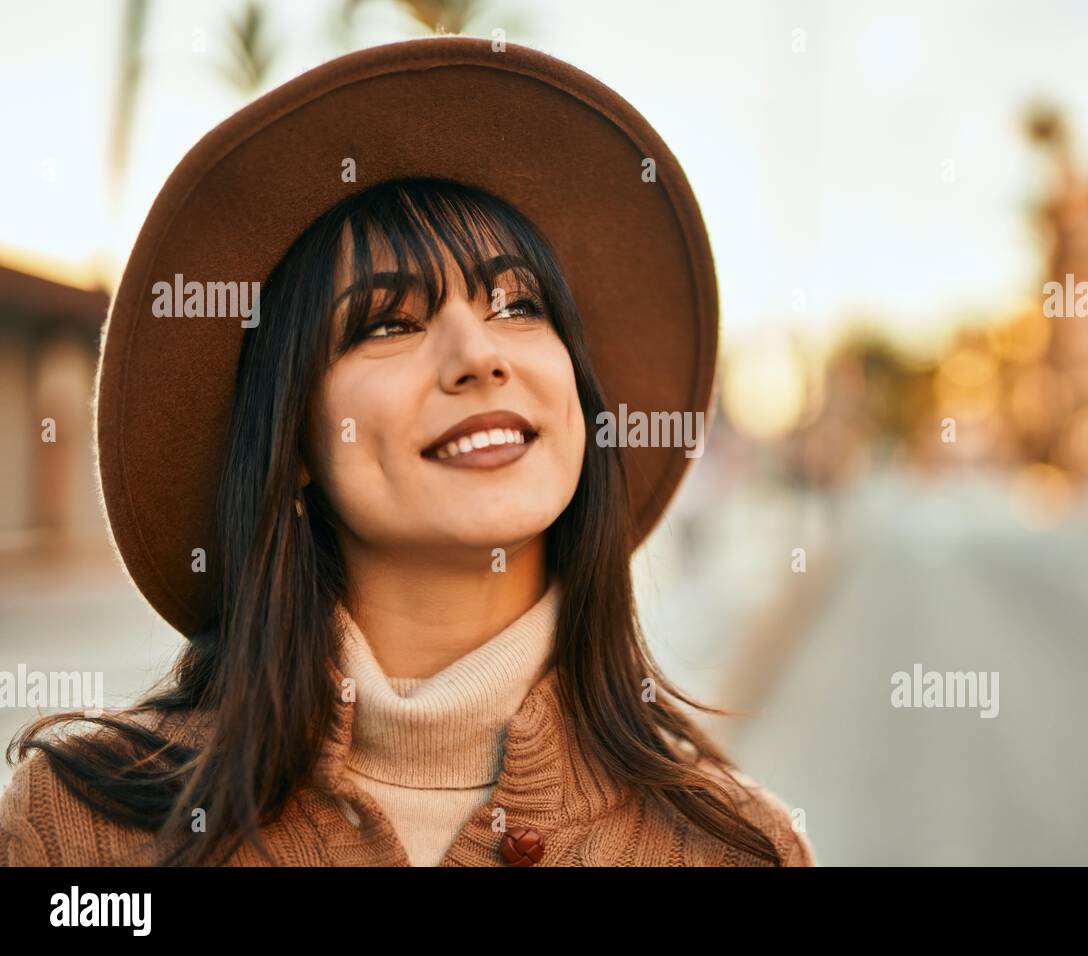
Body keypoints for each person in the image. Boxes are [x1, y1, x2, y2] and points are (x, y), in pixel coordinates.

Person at [0, 36, 815, 867]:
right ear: (296, 442)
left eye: (519, 306)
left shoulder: (736, 849)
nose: (478, 356)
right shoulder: (76, 832)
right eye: (388, 323)